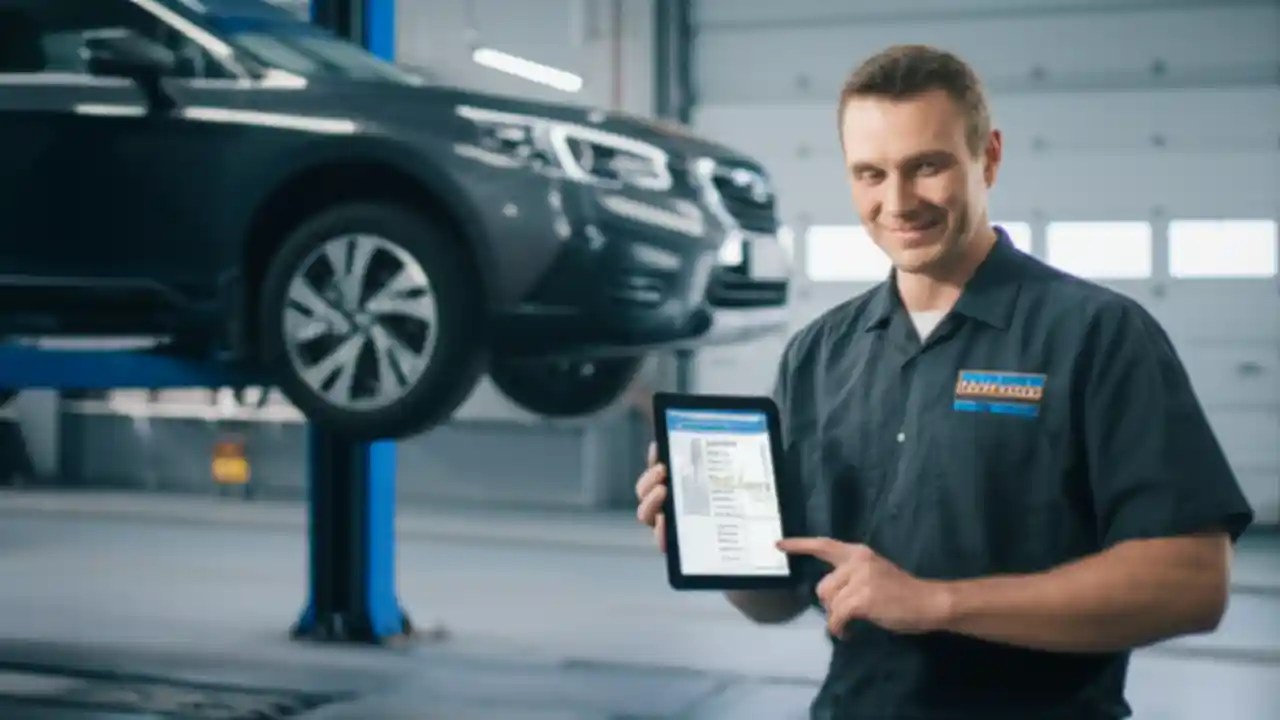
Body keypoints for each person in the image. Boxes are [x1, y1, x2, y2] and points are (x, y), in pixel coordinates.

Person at [634, 44, 1254, 720]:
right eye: (870, 173)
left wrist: (937, 603)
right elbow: (779, 601)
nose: (896, 202)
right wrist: (717, 544)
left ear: (987, 157)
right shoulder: (819, 355)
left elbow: (1192, 583)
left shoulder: (1097, 335)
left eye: (925, 166)